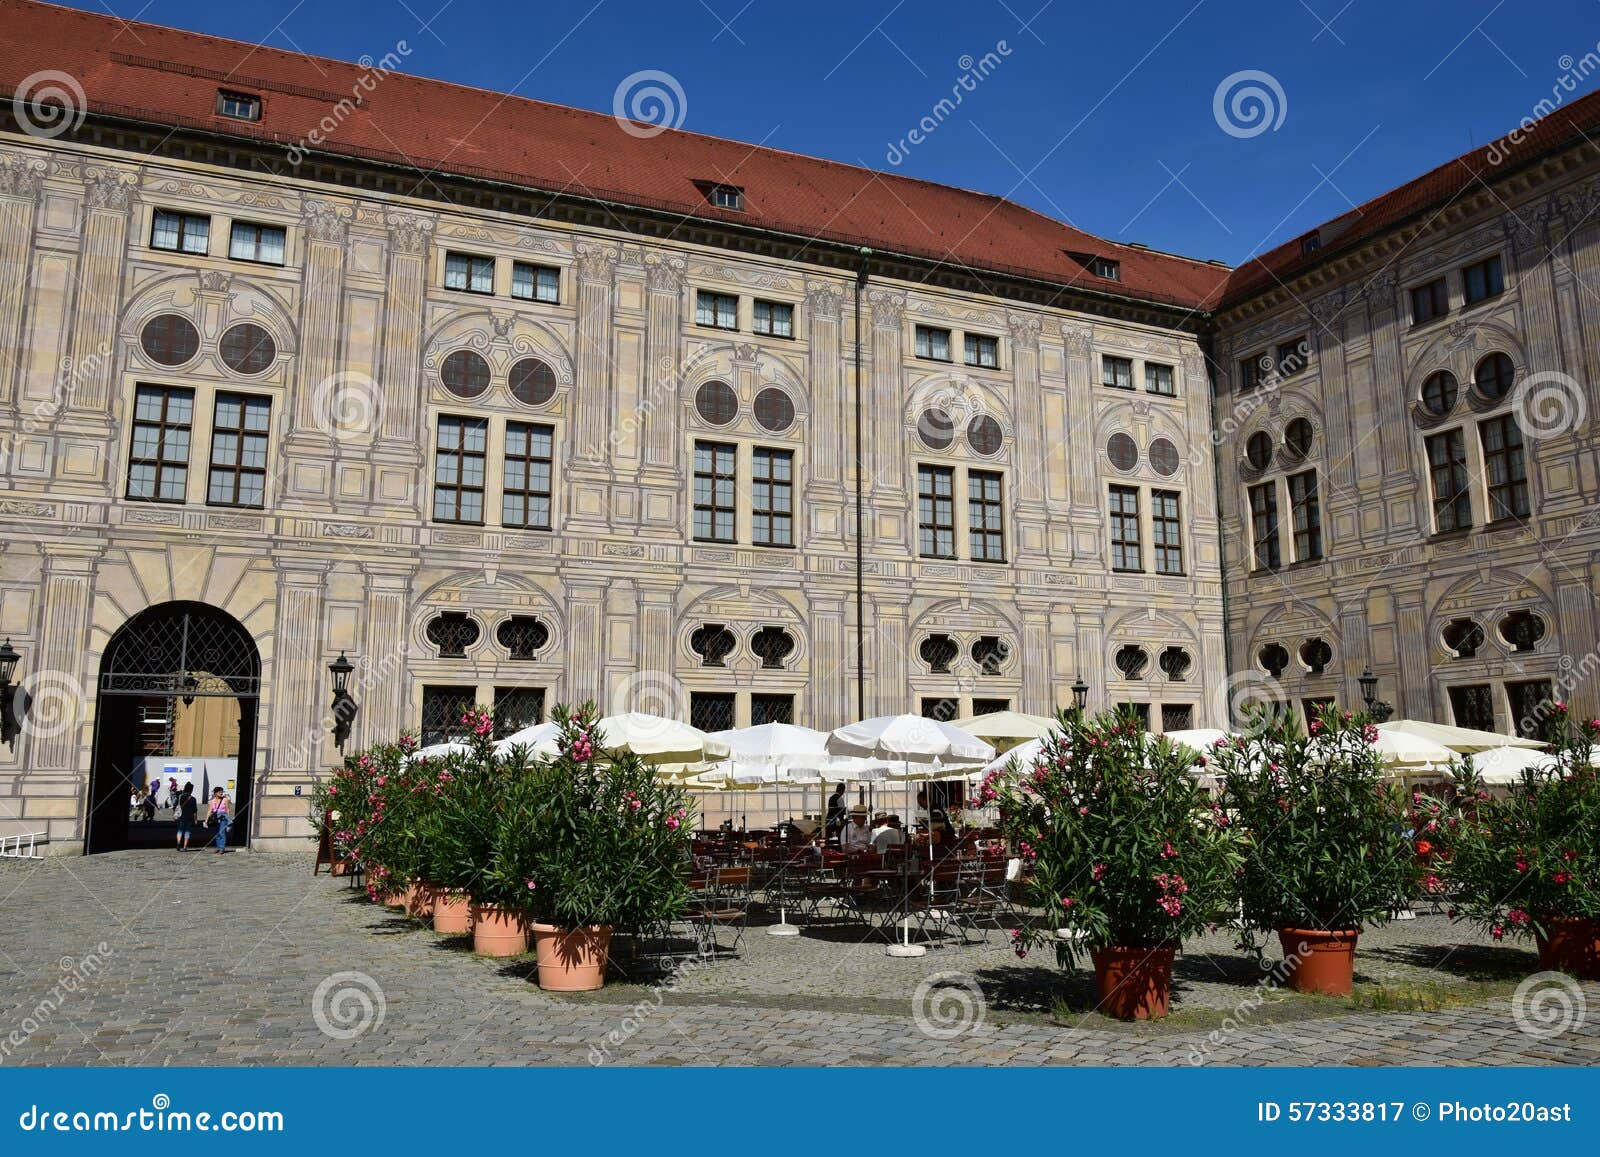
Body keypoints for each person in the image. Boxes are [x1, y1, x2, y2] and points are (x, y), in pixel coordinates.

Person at [207, 787, 231, 853]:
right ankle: (218, 847)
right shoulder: (212, 801)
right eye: (219, 792)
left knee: (222, 833)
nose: (221, 793)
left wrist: (228, 818)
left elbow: (227, 809)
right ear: (215, 793)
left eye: (222, 791)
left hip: (223, 818)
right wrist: (206, 820)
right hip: (215, 818)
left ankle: (222, 848)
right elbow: (209, 811)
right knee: (217, 833)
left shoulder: (225, 800)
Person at [175, 784, 198, 851]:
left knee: (180, 830)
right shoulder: (193, 799)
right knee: (187, 831)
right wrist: (196, 819)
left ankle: (179, 842)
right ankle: (185, 847)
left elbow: (176, 806)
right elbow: (195, 810)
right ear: (191, 790)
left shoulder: (180, 797)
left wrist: (175, 814)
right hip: (189, 817)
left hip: (181, 816)